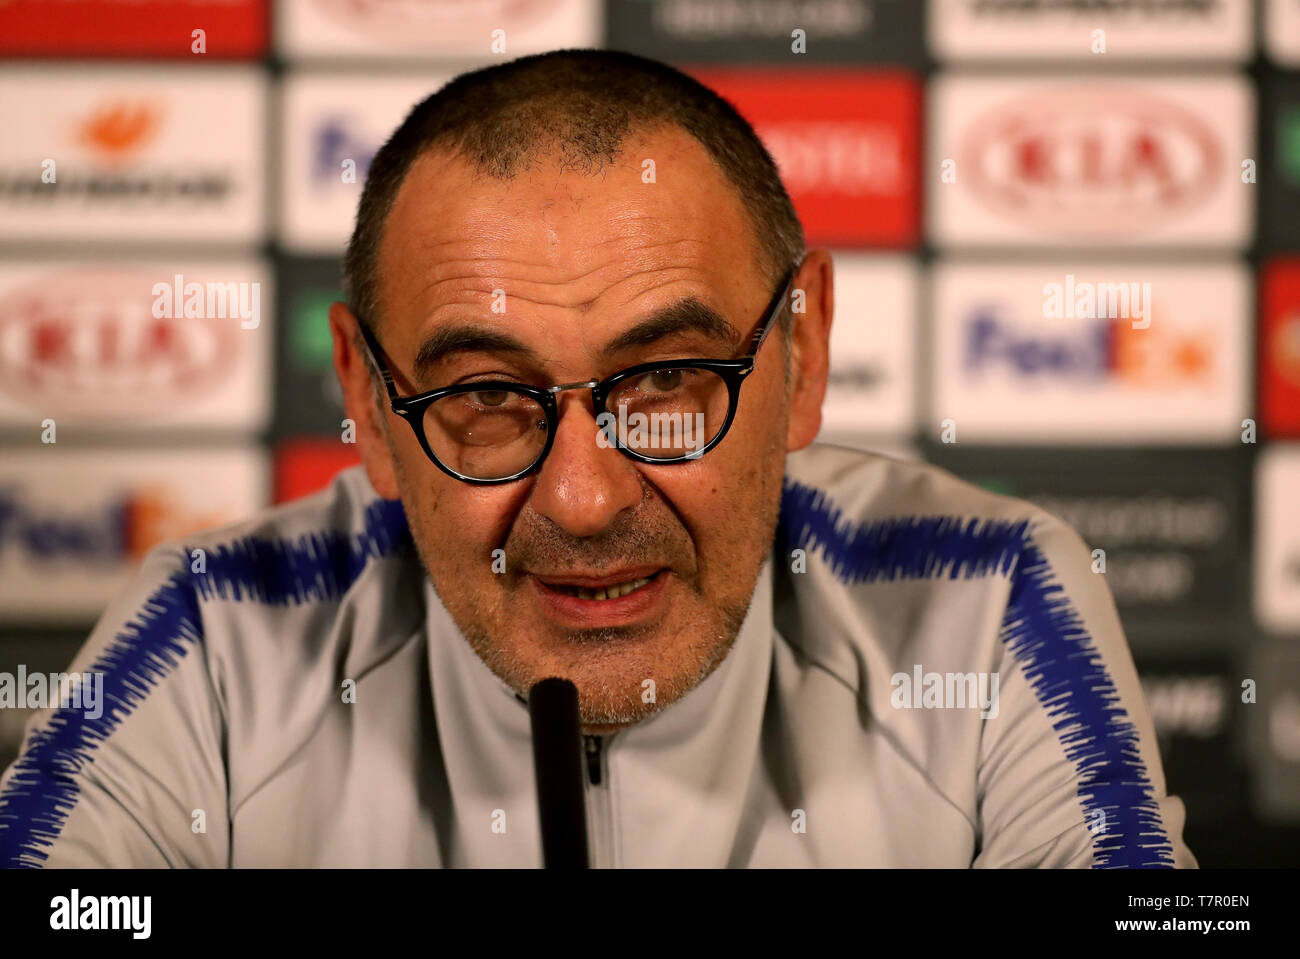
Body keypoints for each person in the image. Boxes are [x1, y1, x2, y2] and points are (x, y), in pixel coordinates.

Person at [0, 49, 1195, 868]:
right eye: (483, 397)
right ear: (367, 395)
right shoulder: (218, 637)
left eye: (667, 379)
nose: (580, 496)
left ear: (801, 347)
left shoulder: (980, 601)